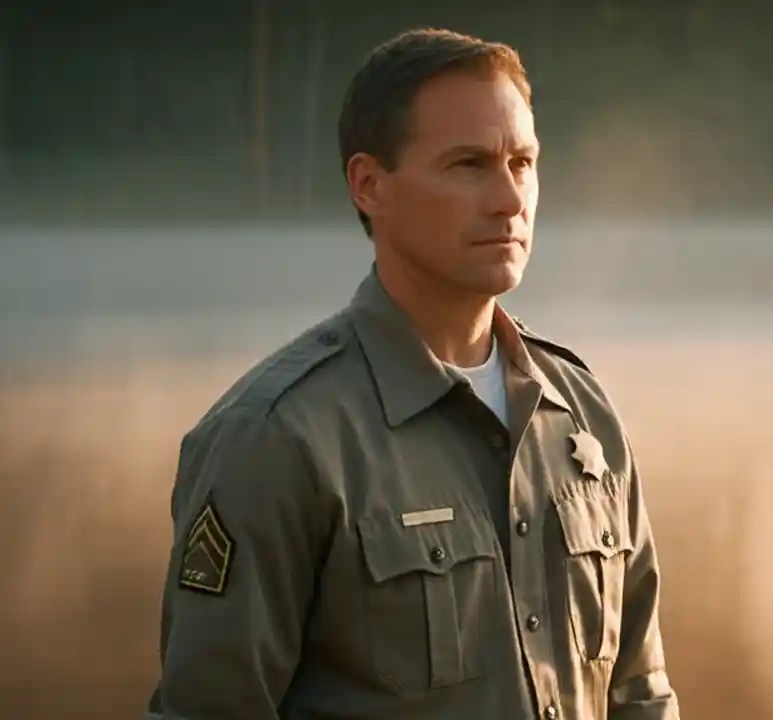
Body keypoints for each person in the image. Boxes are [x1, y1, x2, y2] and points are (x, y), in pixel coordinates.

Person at [144, 27, 679, 720]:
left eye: (523, 162)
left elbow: (641, 694)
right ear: (370, 185)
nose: (510, 200)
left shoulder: (582, 417)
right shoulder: (277, 439)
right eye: (468, 165)